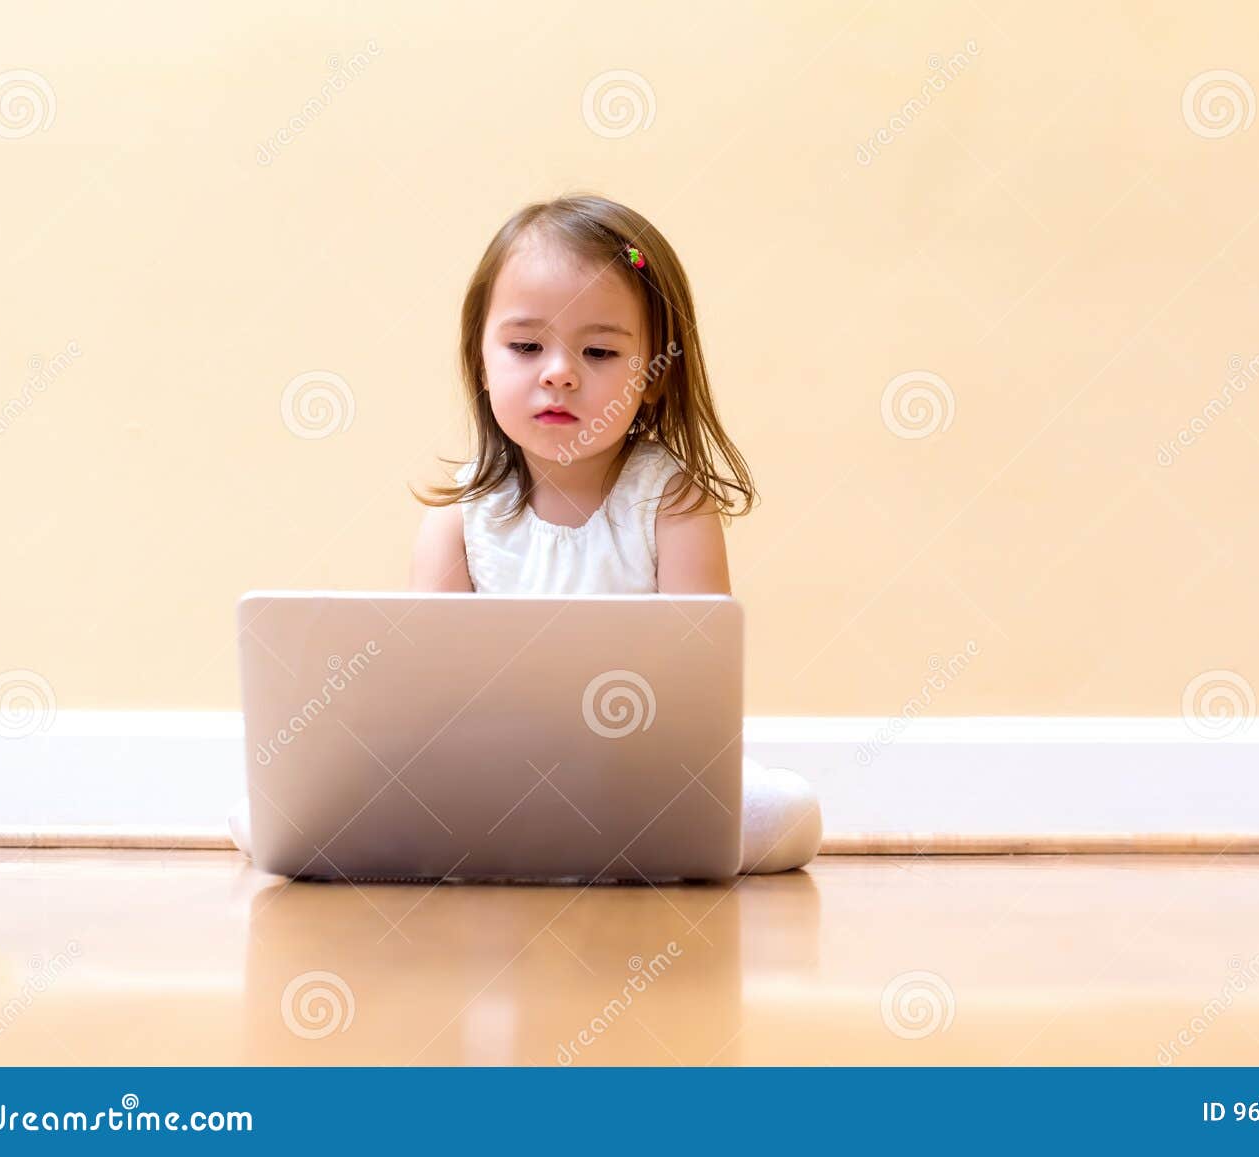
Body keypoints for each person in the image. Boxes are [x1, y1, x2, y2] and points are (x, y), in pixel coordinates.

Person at [229, 193, 821, 875]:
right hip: (489, 786)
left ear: (655, 377)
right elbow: (425, 702)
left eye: (599, 350)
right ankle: (523, 843)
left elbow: (700, 703)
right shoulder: (460, 518)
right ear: (482, 365)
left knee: (790, 810)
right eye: (525, 346)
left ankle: (547, 848)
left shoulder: (671, 502)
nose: (559, 372)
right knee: (266, 813)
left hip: (636, 789)